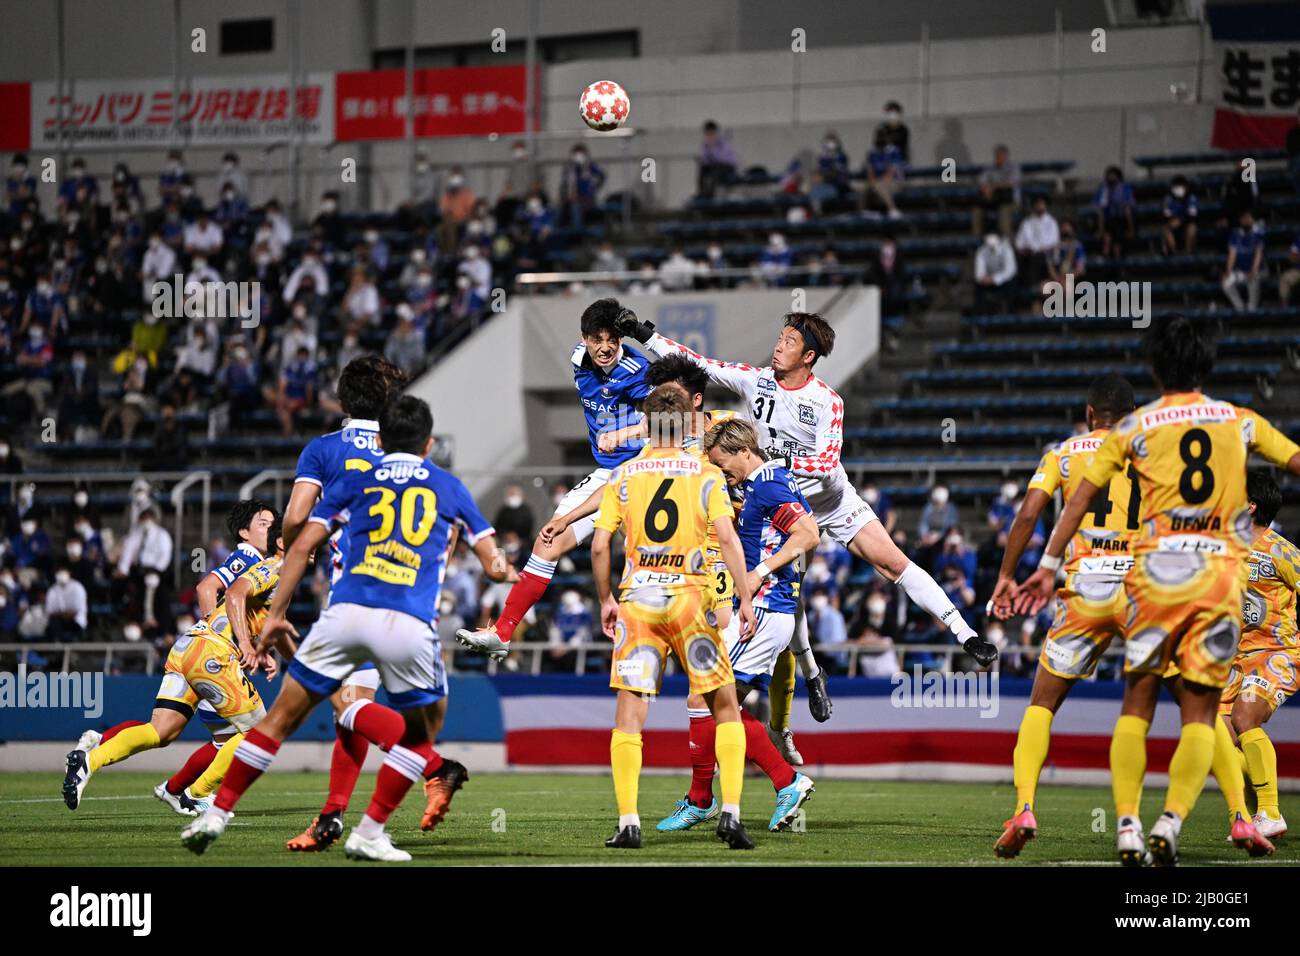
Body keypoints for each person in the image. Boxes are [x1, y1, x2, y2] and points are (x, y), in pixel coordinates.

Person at [614, 309, 1000, 735]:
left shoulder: (828, 401)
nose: (779, 346)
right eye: (779, 338)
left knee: (892, 562)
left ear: (809, 356)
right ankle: (814, 675)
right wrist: (644, 335)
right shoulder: (756, 380)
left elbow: (827, 460)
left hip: (830, 499)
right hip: (781, 504)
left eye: (789, 342)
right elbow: (699, 364)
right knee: (787, 596)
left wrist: (776, 461)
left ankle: (966, 634)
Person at [1013, 314, 1300, 866]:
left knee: (1136, 706)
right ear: (1209, 363)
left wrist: (1048, 565)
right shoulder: (1238, 419)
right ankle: (1178, 819)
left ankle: (1127, 826)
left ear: (1154, 365)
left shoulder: (1137, 426)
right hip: (1217, 583)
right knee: (1203, 712)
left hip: (1156, 577)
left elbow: (1074, 502)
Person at [180, 396, 513, 861]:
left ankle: (217, 813)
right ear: (429, 444)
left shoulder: (352, 480)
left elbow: (297, 545)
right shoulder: (447, 485)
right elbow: (493, 565)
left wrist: (275, 615)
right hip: (407, 622)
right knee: (416, 737)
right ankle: (371, 828)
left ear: (379, 440)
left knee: (282, 721)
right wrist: (516, 575)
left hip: (345, 614)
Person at [589, 386, 758, 850]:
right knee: (725, 707)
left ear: (648, 421)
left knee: (629, 717)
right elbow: (728, 540)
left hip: (639, 602)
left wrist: (606, 599)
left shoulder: (623, 475)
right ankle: (732, 815)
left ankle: (628, 823)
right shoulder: (706, 474)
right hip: (690, 600)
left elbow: (600, 544)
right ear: (687, 425)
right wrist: (744, 599)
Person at [455, 298, 652, 659]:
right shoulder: (578, 359)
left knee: (646, 560)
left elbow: (670, 418)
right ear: (584, 338)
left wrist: (621, 436)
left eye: (613, 339)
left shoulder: (638, 369)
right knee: (548, 539)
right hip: (608, 474)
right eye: (597, 339)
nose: (605, 347)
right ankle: (503, 632)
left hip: (645, 472)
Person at [656, 417, 820, 835]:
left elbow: (808, 534)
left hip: (764, 612)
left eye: (722, 462)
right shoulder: (763, 484)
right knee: (708, 702)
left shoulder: (768, 484)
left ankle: (771, 785)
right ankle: (711, 796)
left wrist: (759, 572)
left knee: (710, 700)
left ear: (743, 450)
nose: (721, 471)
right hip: (762, 611)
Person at [63, 522, 289, 814]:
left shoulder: (279, 572)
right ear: (281, 541)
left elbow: (264, 618)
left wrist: (260, 648)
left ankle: (90, 759)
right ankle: (195, 793)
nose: (314, 546)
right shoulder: (271, 565)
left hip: (188, 647)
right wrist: (239, 643)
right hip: (213, 654)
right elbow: (229, 593)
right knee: (259, 732)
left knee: (161, 731)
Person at [1220, 470, 1299, 840]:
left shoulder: (1281, 551)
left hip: (1279, 650)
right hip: (1240, 654)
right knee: (1218, 732)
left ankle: (1270, 811)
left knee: (1245, 715)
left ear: (1250, 505)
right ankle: (1252, 816)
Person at [1222, 209, 1265, 312]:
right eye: (1244, 218)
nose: (1246, 220)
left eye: (1248, 218)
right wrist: (1228, 271)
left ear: (1252, 219)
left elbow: (1258, 255)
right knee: (1226, 283)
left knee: (1253, 279)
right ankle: (1239, 307)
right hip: (1240, 271)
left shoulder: (1258, 233)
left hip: (1258, 270)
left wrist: (1253, 271)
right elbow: (1232, 255)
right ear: (1240, 220)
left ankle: (1252, 308)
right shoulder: (1235, 234)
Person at [974, 144, 1021, 238]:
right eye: (997, 155)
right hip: (993, 199)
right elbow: (981, 182)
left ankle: (1007, 243)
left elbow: (1011, 183)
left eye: (1001, 155)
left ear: (1006, 156)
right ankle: (976, 240)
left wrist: (993, 187)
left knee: (1003, 212)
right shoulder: (990, 168)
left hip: (1010, 201)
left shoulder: (1013, 167)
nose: (998, 157)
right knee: (977, 210)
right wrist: (986, 190)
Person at [1094, 165, 1135, 259]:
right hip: (1062, 272)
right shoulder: (1103, 190)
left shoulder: (1074, 247)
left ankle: (1118, 266)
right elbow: (1100, 210)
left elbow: (1127, 210)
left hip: (1119, 222)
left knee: (1117, 242)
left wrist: (1130, 228)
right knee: (1067, 270)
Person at [973, 232, 1017, 313]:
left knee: (1012, 284)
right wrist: (984, 279)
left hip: (1004, 281)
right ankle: (980, 317)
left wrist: (994, 279)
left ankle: (1011, 314)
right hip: (987, 282)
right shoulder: (981, 251)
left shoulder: (1006, 248)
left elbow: (1010, 271)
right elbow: (978, 274)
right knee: (977, 288)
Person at [697, 120, 739, 199]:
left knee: (716, 171)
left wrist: (712, 148)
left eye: (711, 133)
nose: (709, 135)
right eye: (707, 133)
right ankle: (702, 192)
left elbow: (722, 159)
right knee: (702, 169)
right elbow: (704, 160)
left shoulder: (723, 143)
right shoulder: (705, 144)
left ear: (715, 132)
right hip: (714, 166)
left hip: (728, 167)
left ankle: (711, 195)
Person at [1161, 175, 1198, 255]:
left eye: (1180, 186)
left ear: (1186, 187)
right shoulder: (1168, 199)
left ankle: (1189, 253)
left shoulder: (1191, 198)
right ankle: (1172, 252)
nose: (1178, 189)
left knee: (1192, 228)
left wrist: (1181, 221)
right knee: (1166, 228)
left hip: (1186, 223)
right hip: (1172, 224)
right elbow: (1165, 216)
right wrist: (1172, 222)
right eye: (1176, 186)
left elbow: (1193, 216)